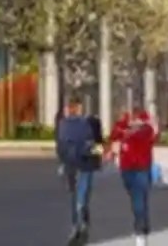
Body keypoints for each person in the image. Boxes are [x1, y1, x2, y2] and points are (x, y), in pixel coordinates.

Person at [55, 96, 105, 246]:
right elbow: (95, 145)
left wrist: (63, 162)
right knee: (81, 196)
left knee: (76, 196)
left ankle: (78, 224)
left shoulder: (63, 125)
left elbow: (60, 147)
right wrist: (98, 153)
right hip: (84, 164)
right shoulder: (87, 123)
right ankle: (80, 223)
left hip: (72, 165)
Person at [109, 106, 159, 246]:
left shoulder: (146, 129)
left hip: (141, 169)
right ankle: (143, 225)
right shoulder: (125, 126)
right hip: (126, 168)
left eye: (137, 117)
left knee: (139, 199)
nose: (134, 120)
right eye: (132, 117)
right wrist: (122, 123)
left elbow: (152, 136)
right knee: (136, 198)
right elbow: (113, 136)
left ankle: (140, 232)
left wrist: (130, 129)